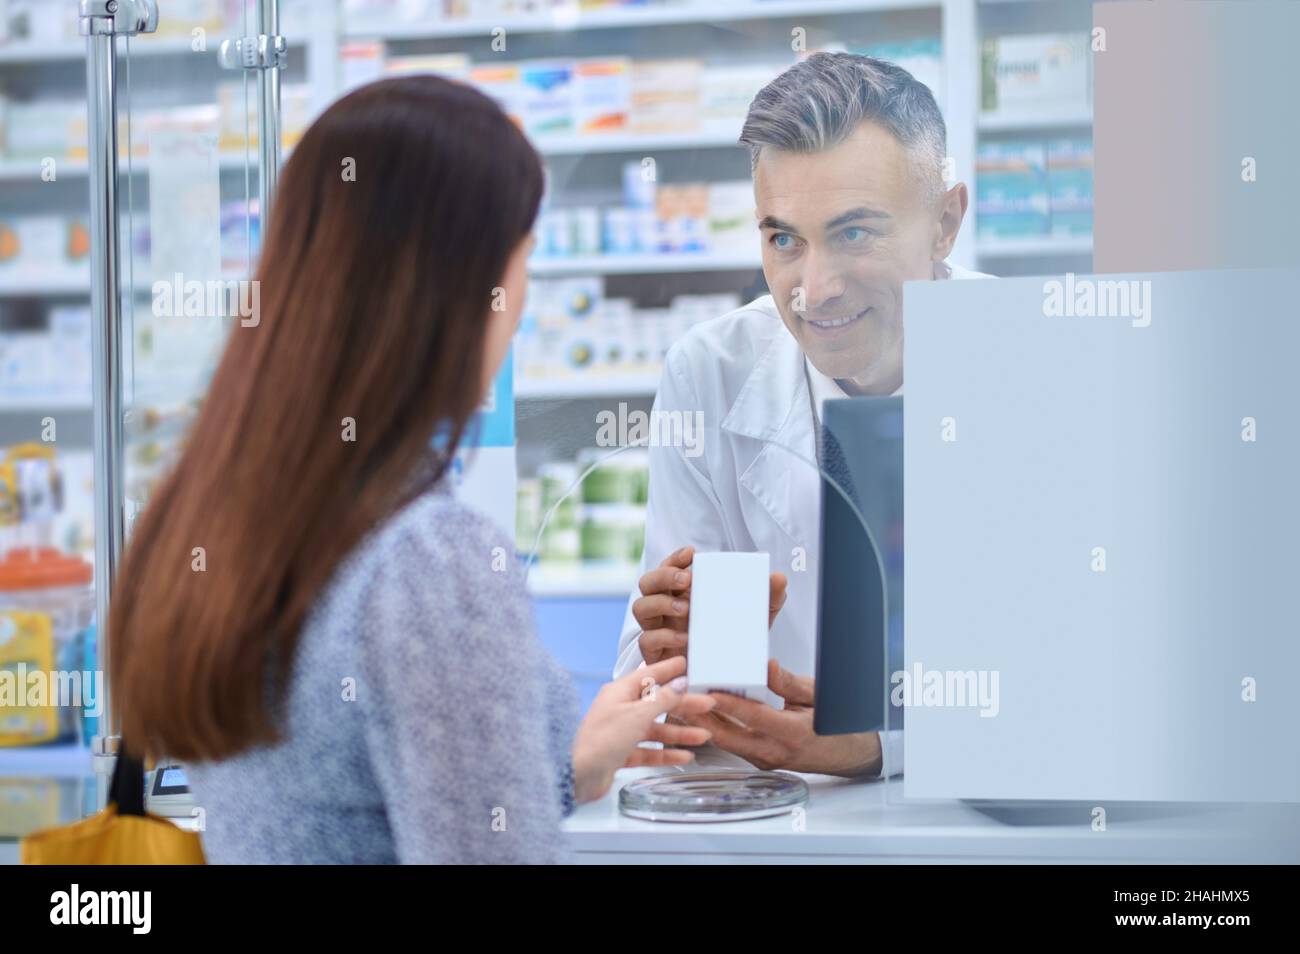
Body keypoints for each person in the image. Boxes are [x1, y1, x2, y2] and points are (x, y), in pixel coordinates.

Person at [107, 76, 716, 864]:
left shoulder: (217, 516)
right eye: (523, 257)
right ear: (468, 288)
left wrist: (559, 769)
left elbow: (348, 804)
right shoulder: (428, 563)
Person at [615, 53, 992, 776]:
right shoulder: (710, 373)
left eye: (854, 233)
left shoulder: (1027, 359)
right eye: (784, 239)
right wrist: (675, 655)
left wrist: (880, 746)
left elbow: (1076, 685)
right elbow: (658, 695)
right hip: (777, 817)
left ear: (945, 223)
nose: (813, 292)